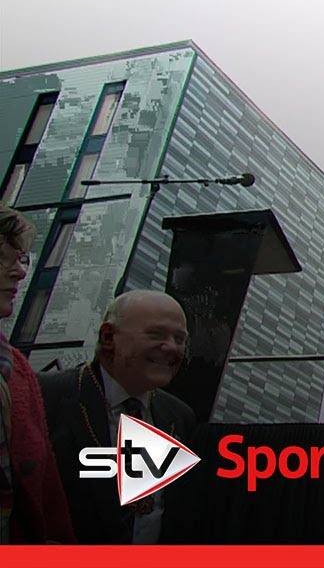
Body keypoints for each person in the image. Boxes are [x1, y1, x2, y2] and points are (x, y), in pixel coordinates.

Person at [39, 289, 195, 544]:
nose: (171, 348)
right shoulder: (46, 397)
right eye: (155, 334)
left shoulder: (179, 416)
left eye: (180, 338)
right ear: (108, 336)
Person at [0, 206, 75, 543]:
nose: (18, 273)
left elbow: (49, 496)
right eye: (3, 258)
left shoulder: (17, 371)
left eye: (21, 259)